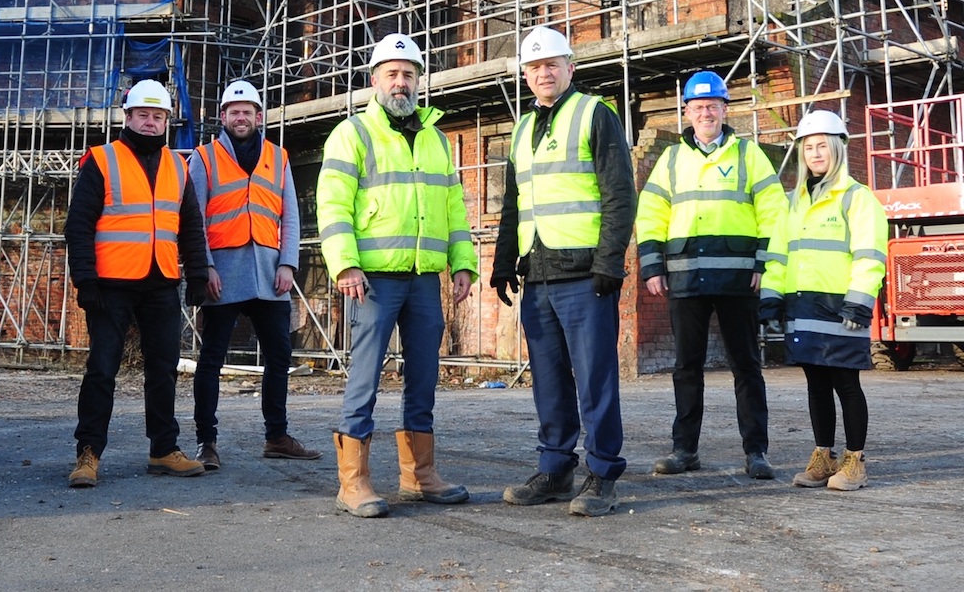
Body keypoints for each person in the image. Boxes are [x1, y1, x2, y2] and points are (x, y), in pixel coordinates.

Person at [316, 32, 479, 518]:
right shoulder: (354, 133)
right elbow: (333, 203)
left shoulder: (435, 139)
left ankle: (419, 475)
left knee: (424, 376)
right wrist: (344, 262)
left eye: (409, 74)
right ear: (375, 80)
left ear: (419, 80)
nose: (401, 82)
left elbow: (453, 206)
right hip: (372, 279)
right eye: (392, 73)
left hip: (424, 277)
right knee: (365, 376)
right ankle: (354, 481)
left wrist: (464, 261)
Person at [492, 26, 637, 517]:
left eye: (552, 64)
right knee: (549, 379)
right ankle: (555, 468)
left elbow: (620, 193)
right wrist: (502, 261)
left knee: (596, 377)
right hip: (538, 273)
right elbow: (513, 201)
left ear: (570, 68)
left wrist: (610, 262)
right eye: (534, 67)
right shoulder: (520, 128)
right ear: (526, 77)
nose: (543, 73)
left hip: (584, 275)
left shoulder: (595, 114)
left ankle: (601, 471)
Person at [635, 70, 788, 480]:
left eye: (713, 106)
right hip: (685, 278)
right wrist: (652, 265)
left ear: (725, 109)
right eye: (698, 107)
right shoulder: (670, 159)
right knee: (687, 367)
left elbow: (774, 211)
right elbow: (651, 214)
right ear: (686, 112)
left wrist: (765, 263)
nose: (705, 113)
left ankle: (756, 452)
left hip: (739, 279)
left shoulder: (748, 154)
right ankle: (684, 450)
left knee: (746, 366)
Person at [65, 79, 210, 488]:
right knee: (102, 369)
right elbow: (78, 226)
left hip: (162, 281)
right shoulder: (102, 160)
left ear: (167, 120)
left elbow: (190, 228)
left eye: (158, 116)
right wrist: (85, 280)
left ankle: (163, 449)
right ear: (128, 117)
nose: (150, 123)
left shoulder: (177, 166)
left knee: (163, 369)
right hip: (110, 284)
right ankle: (88, 453)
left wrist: (197, 273)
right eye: (143, 115)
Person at [188, 80, 321, 469]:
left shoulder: (278, 158)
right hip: (222, 275)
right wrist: (205, 266)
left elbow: (290, 216)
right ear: (223, 117)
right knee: (211, 358)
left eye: (248, 111)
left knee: (279, 356)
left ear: (259, 117)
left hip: (269, 274)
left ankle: (277, 436)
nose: (241, 117)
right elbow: (194, 219)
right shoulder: (204, 158)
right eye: (234, 111)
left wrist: (287, 264)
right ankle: (206, 442)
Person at [759, 110, 888, 491]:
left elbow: (870, 255)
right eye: (809, 147)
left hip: (841, 309)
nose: (816, 154)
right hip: (803, 307)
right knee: (816, 384)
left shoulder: (856, 198)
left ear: (837, 148)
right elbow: (778, 255)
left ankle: (855, 461)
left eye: (822, 146)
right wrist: (771, 298)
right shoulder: (794, 201)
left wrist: (859, 302)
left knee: (846, 384)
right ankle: (824, 457)